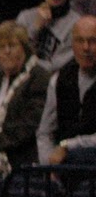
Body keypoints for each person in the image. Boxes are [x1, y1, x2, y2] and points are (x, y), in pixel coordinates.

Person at [0, 21, 51, 174]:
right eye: (2, 47)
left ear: (25, 49)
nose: (7, 51)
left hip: (18, 156)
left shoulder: (38, 77)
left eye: (12, 46)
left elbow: (28, 125)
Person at [36, 15, 96, 166]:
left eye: (93, 41)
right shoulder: (59, 80)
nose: (86, 48)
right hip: (63, 167)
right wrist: (48, 168)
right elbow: (44, 133)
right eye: (80, 41)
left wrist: (68, 146)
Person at [17, 0, 78, 72]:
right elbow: (15, 57)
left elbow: (54, 67)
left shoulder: (76, 25)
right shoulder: (25, 17)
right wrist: (35, 28)